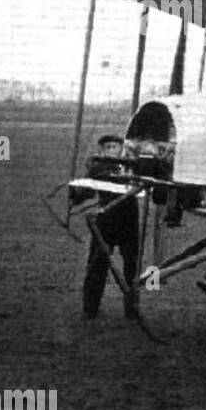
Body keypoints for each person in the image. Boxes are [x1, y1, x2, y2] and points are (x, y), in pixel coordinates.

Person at [70, 135, 141, 319]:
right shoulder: (98, 167)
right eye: (108, 147)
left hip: (129, 223)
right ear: (102, 150)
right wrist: (75, 192)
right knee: (97, 264)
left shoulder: (132, 166)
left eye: (115, 146)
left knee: (132, 267)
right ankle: (90, 308)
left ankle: (132, 309)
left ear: (122, 149)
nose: (111, 150)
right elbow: (85, 192)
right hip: (106, 222)